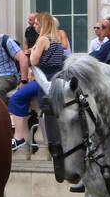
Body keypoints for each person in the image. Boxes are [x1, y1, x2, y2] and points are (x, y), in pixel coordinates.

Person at [8, 12, 69, 151]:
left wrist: (33, 51)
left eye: (36, 23)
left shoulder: (42, 40)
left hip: (44, 79)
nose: (34, 26)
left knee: (16, 98)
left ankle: (18, 137)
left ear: (43, 25)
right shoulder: (56, 38)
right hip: (56, 78)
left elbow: (33, 61)